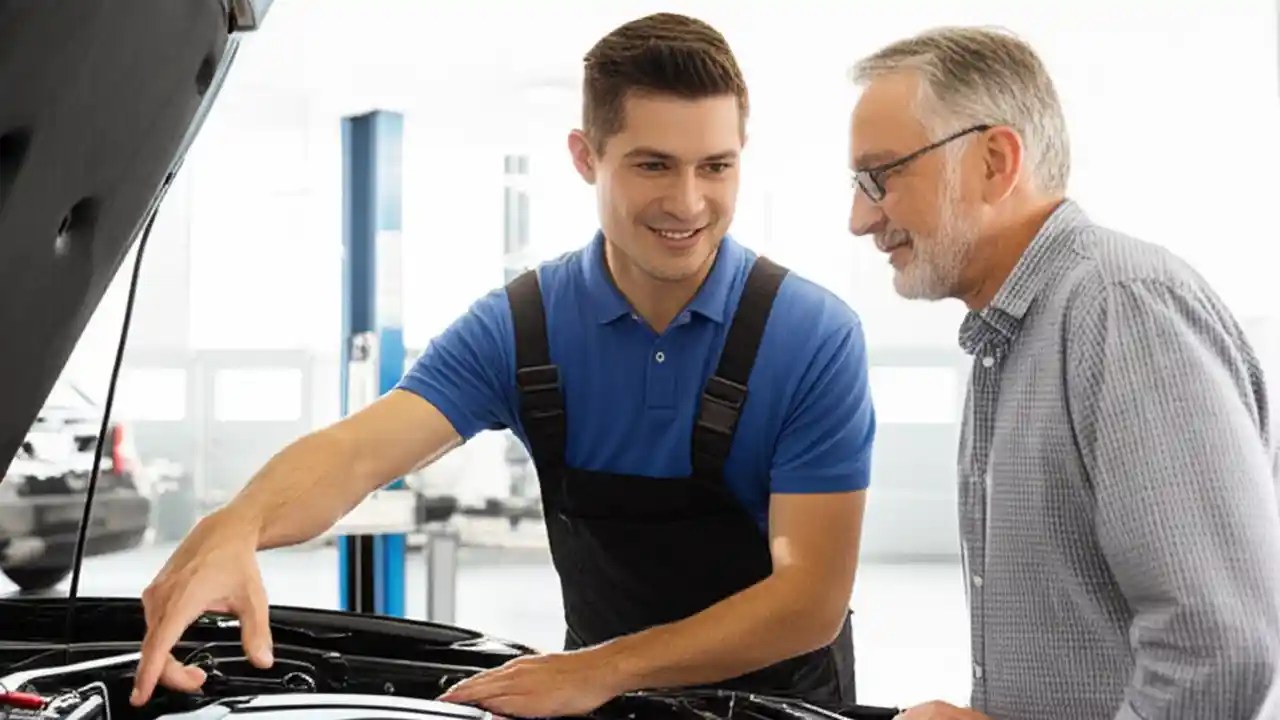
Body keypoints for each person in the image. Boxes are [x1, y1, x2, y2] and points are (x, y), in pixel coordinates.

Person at [129, 12, 877, 718]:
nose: (689, 202)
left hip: (781, 705)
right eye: (653, 165)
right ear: (586, 157)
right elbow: (356, 452)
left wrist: (594, 669)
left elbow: (808, 600)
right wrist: (239, 523)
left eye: (716, 166)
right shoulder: (524, 328)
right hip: (602, 707)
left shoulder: (810, 335)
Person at [845, 25, 1280, 720]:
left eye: (882, 175)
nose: (860, 218)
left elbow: (1218, 649)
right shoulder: (1014, 338)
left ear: (994, 161)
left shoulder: (1120, 309)